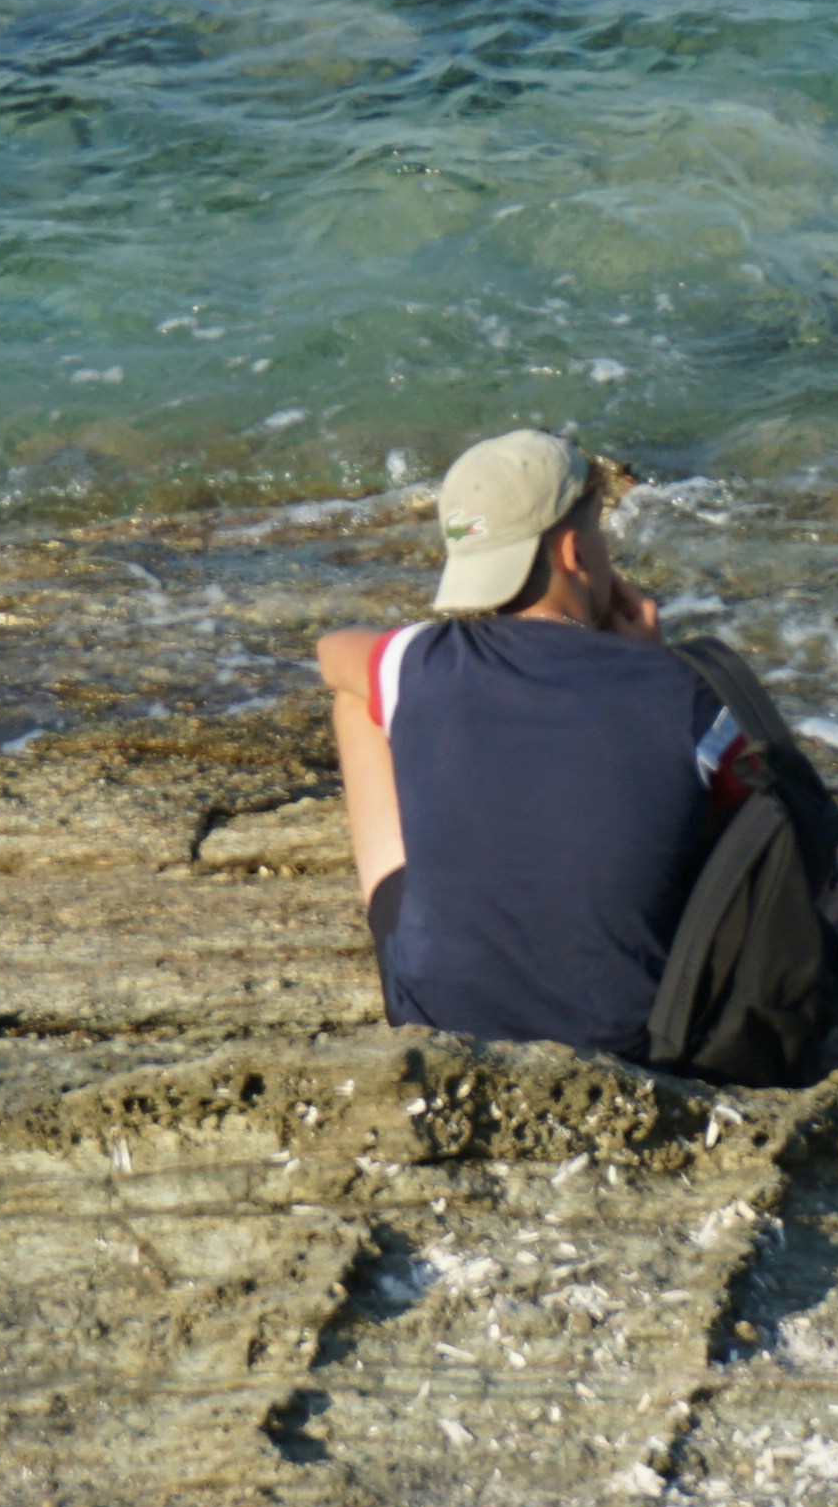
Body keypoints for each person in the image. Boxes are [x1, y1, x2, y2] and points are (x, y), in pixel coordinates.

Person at [315, 429, 770, 1064]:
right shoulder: (681, 695)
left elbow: (331, 652)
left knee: (359, 700)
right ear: (575, 550)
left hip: (435, 1018)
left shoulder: (419, 660)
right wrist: (647, 667)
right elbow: (758, 825)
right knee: (695, 788)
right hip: (633, 1041)